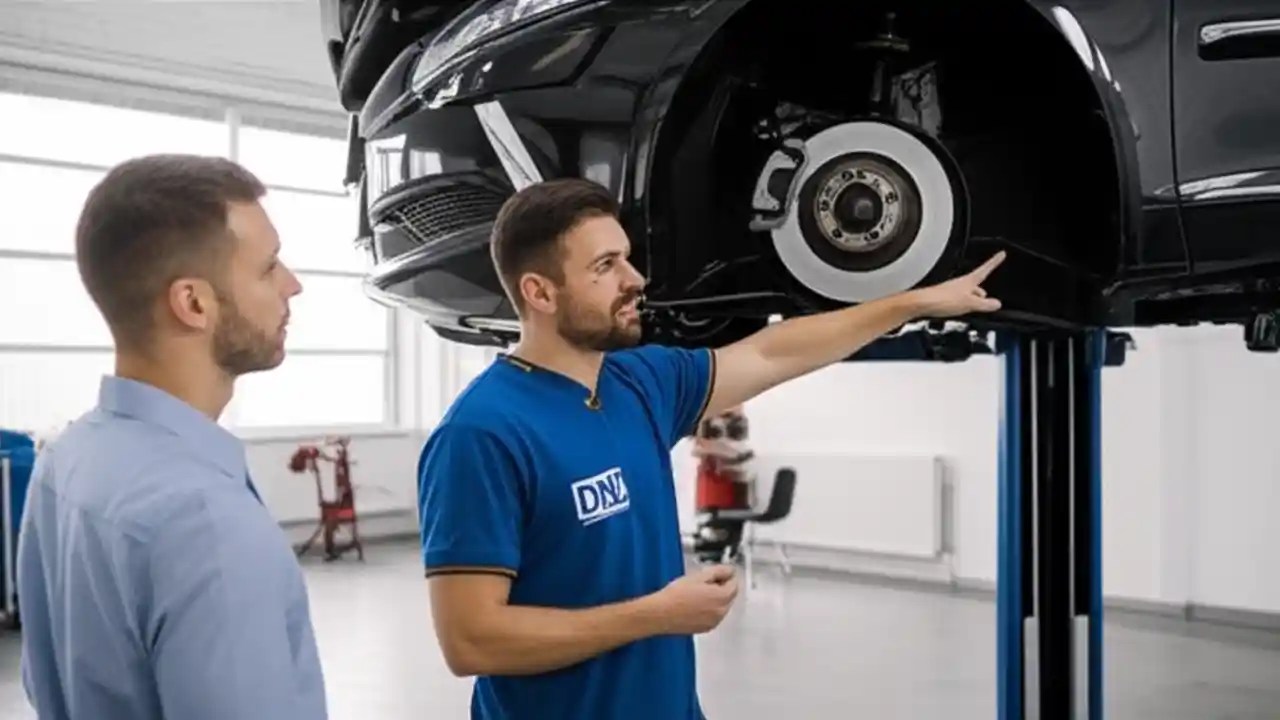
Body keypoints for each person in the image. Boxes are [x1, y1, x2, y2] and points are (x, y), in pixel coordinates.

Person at [416, 177, 1005, 720]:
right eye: (605, 266)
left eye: (626, 258)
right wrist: (658, 615)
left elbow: (773, 351)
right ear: (540, 292)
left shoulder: (639, 384)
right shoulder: (481, 435)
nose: (635, 280)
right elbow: (472, 641)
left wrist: (913, 303)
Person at [16, 154, 325, 719]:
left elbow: (43, 682)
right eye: (268, 267)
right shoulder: (208, 524)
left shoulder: (64, 459)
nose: (293, 285)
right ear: (193, 303)